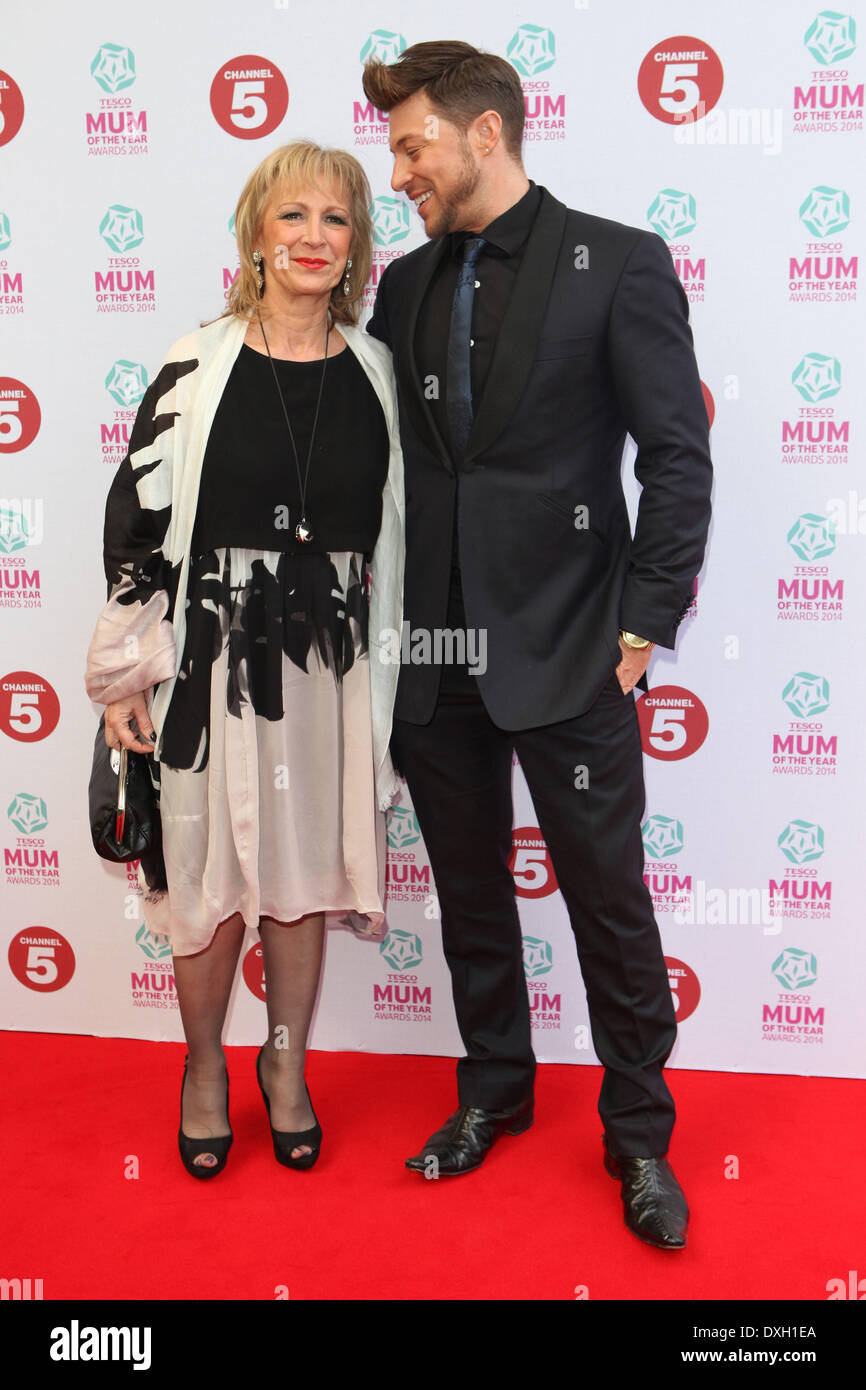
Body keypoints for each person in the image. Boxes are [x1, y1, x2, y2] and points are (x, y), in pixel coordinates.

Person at [363, 42, 712, 1248]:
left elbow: (673, 453)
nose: (397, 168)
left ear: (484, 135)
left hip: (570, 648)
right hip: (435, 652)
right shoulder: (402, 288)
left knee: (607, 902)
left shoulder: (614, 263)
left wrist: (642, 621)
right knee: (469, 897)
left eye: (412, 143)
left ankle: (638, 1136)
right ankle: (492, 1094)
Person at [85, 142, 404, 1178]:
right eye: (293, 216)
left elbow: (395, 535)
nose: (314, 236)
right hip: (209, 667)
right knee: (207, 879)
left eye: (337, 219)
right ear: (255, 235)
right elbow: (138, 521)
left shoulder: (376, 372)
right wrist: (125, 671)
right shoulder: (197, 361)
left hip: (329, 667)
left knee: (301, 879)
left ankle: (284, 1064)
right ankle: (203, 1069)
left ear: (356, 244)